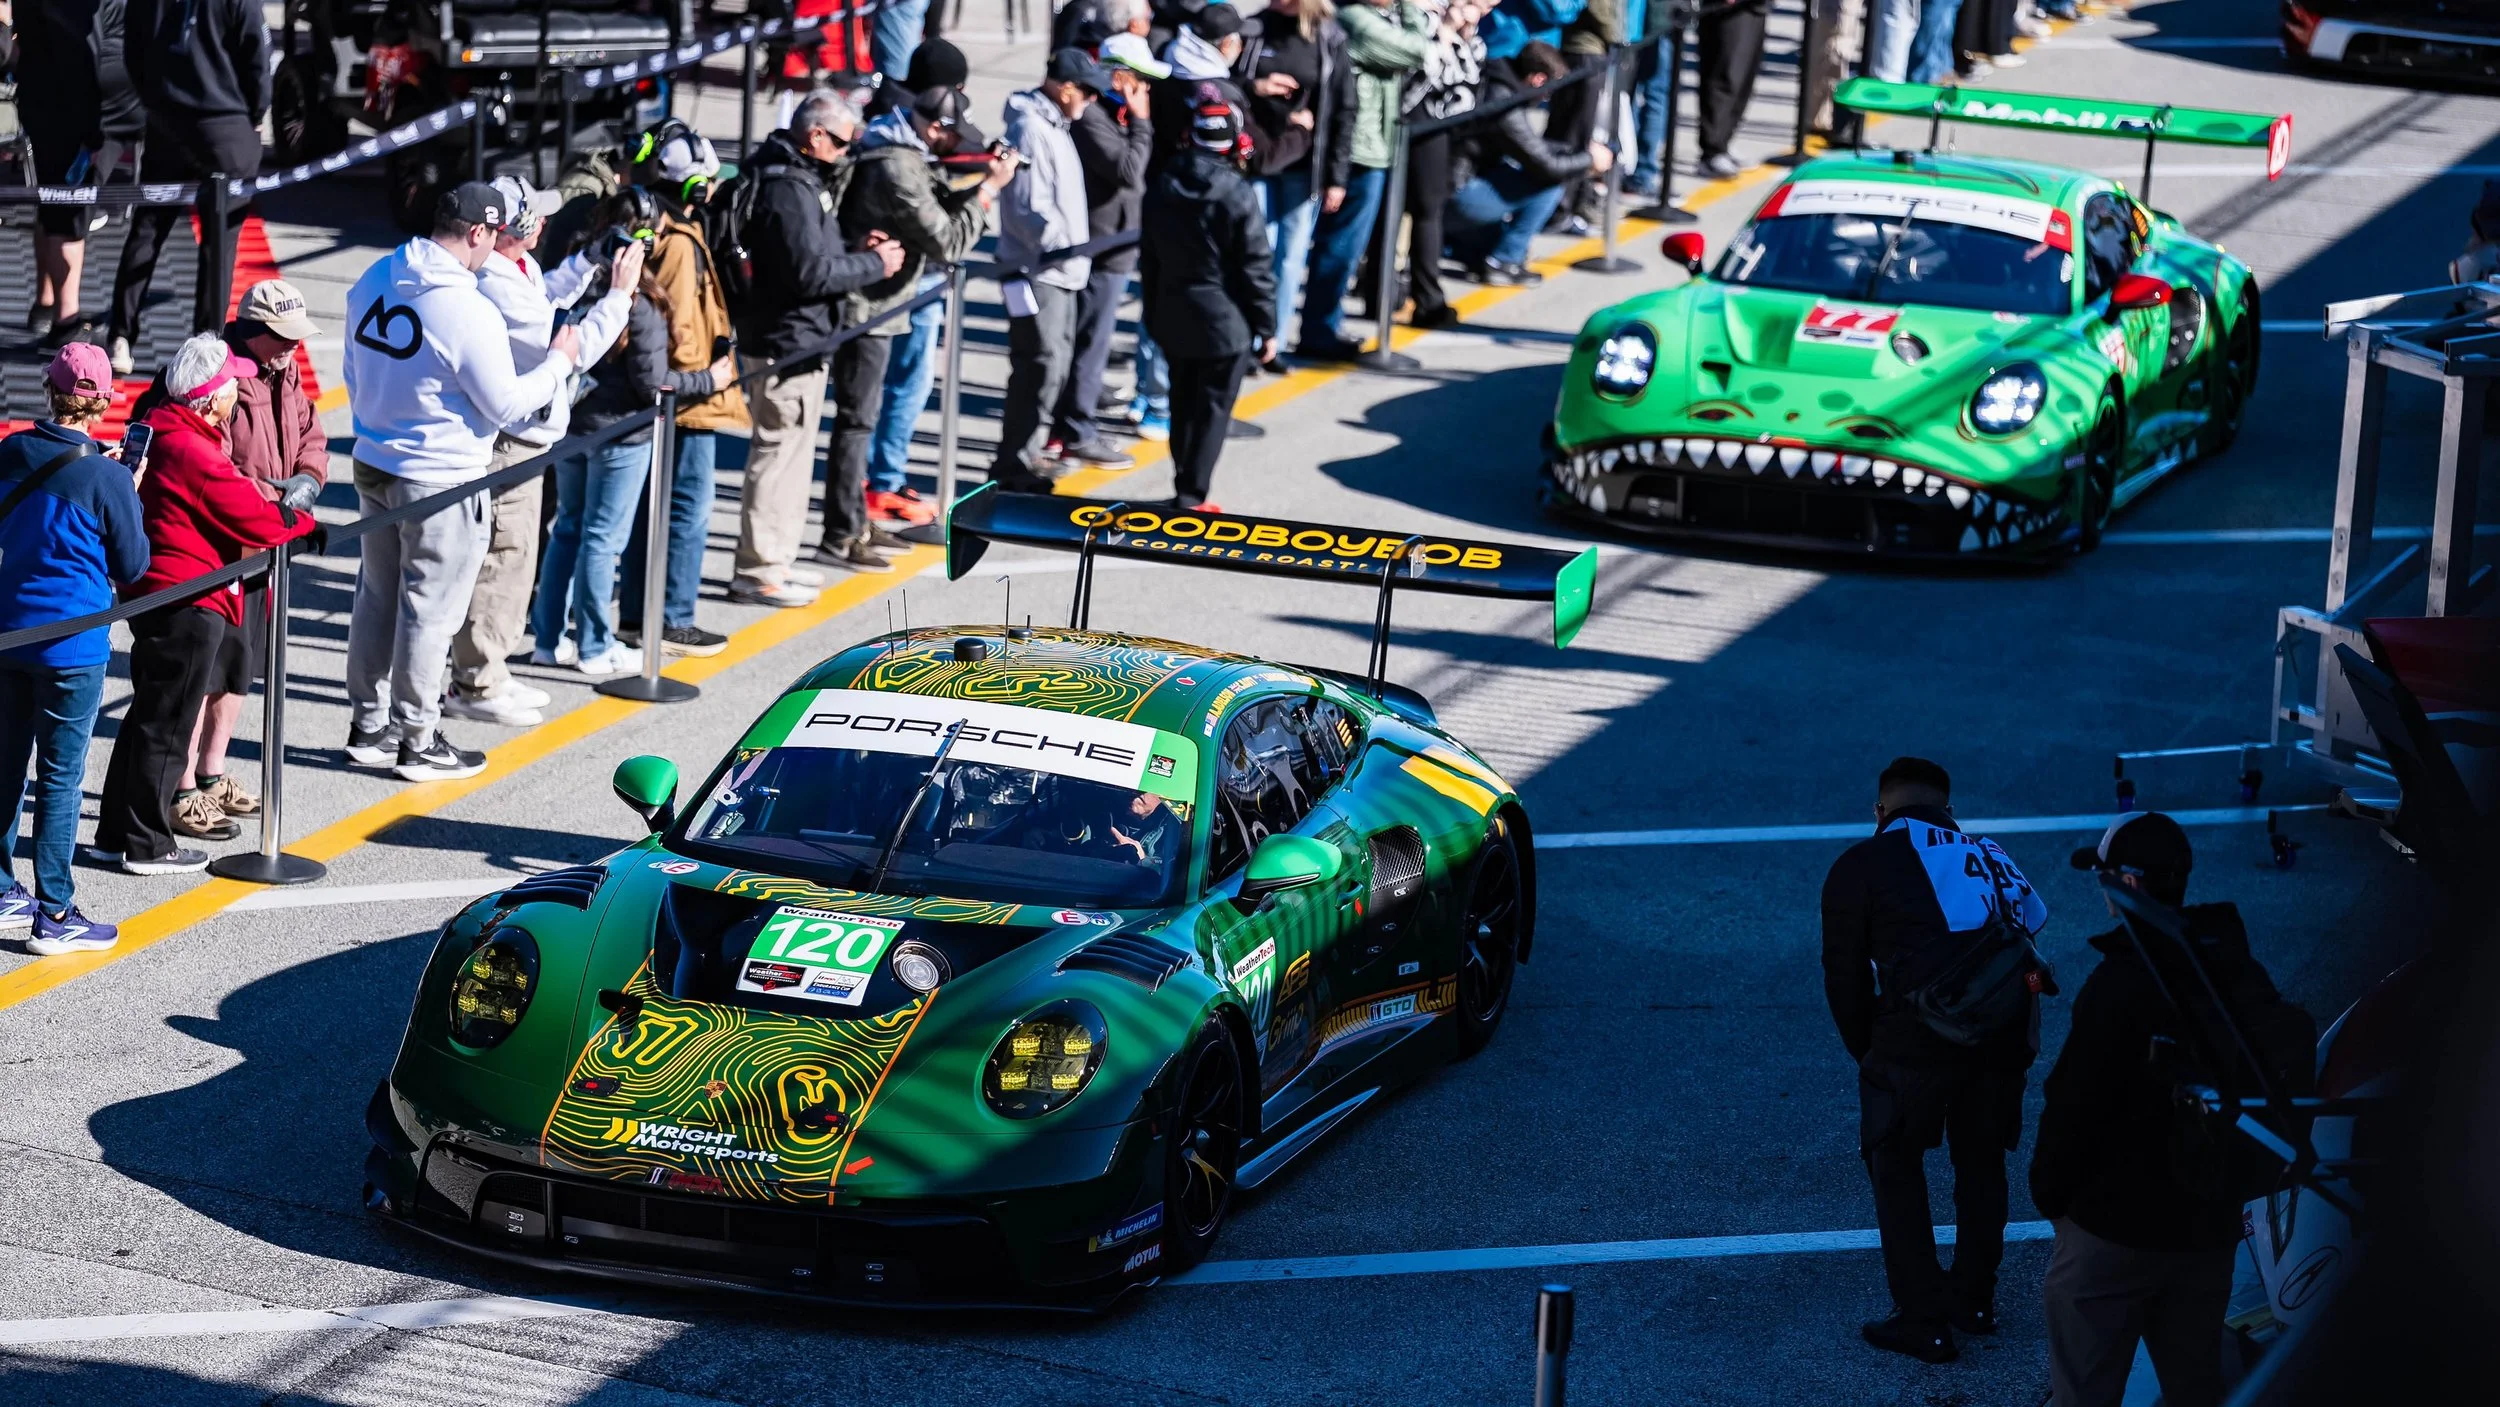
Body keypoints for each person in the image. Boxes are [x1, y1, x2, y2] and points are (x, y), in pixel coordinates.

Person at [2034, 815, 2312, 1407]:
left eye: (2105, 876)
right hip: (2205, 1230)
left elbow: (2072, 1106)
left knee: (2084, 1391)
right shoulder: (2232, 967)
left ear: (2129, 885)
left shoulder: (2119, 984)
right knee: (2196, 1388)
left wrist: (2052, 1199)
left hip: (2113, 1231)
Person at [341, 182, 582, 782]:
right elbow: (505, 404)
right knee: (430, 609)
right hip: (441, 476)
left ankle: (369, 724)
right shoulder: (466, 307)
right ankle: (417, 739)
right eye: (493, 237)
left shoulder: (375, 275)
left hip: (374, 458)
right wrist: (561, 362)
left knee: (377, 594)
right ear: (477, 233)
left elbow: (350, 364)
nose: (496, 250)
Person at [1820, 756, 2049, 1365]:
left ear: (1880, 812)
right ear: (1949, 811)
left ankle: (1922, 1319)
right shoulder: (1989, 853)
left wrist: (1867, 1050)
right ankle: (1974, 1300)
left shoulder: (1859, 865)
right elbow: (2033, 920)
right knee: (1981, 1163)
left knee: (1895, 1166)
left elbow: (1843, 978)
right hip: (1999, 1037)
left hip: (1912, 1042)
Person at [95, 334, 320, 875]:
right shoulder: (195, 449)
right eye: (228, 388)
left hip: (160, 593)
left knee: (147, 718)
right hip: (188, 600)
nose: (236, 395)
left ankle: (115, 833)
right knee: (167, 725)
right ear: (209, 397)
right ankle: (148, 844)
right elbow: (255, 517)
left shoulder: (162, 426)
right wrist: (304, 522)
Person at [128, 279, 333, 835]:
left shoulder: (284, 371)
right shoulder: (209, 372)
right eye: (284, 337)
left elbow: (312, 432)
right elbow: (173, 449)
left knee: (240, 670)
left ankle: (213, 774)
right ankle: (182, 786)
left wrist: (308, 481)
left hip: (267, 542)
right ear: (253, 330)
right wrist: (275, 507)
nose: (294, 347)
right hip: (220, 550)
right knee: (201, 672)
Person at [447, 175, 635, 716]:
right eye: (536, 216)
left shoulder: (512, 267)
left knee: (518, 551)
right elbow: (572, 342)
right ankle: (478, 680)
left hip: (526, 435)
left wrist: (589, 263)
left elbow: (544, 291)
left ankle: (488, 672)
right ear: (512, 226)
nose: (546, 223)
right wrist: (619, 295)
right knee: (506, 554)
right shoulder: (496, 282)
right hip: (514, 440)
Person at [534, 215, 737, 681]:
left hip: (573, 429)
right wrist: (712, 380)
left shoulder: (572, 297)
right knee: (602, 541)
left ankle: (548, 641)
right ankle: (595, 646)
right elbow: (654, 386)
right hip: (621, 437)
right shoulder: (638, 306)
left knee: (568, 530)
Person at [730, 91, 909, 597]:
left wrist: (852, 251)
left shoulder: (790, 177)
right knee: (777, 458)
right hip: (786, 343)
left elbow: (805, 255)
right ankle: (759, 571)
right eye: (842, 143)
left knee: (790, 459)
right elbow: (807, 273)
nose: (846, 153)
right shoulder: (789, 188)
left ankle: (775, 562)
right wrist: (874, 266)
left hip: (792, 339)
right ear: (815, 136)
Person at [0, 345, 148, 953]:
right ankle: (55, 913)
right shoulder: (108, 476)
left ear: (49, 390)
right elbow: (133, 564)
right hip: (74, 646)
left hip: (10, 632)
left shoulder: (10, 451)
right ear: (105, 401)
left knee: (6, 763)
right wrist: (128, 487)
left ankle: (3, 890)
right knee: (60, 779)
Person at [838, 83, 1020, 550]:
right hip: (871, 306)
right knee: (860, 417)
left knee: (876, 406)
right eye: (955, 135)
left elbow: (938, 211)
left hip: (883, 299)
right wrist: (989, 192)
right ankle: (848, 527)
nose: (959, 144)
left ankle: (858, 516)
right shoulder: (899, 164)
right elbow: (948, 241)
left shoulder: (904, 150)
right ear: (935, 128)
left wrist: (980, 179)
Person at [619, 125, 745, 660]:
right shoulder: (678, 244)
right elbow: (678, 325)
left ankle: (638, 613)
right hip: (688, 399)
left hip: (679, 394)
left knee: (659, 507)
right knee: (687, 509)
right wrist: (703, 386)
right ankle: (671, 616)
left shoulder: (668, 229)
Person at [106, 0, 270, 376]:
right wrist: (255, 114)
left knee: (148, 228)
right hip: (224, 125)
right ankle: (206, 346)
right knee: (220, 243)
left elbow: (134, 47)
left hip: (168, 120)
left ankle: (120, 333)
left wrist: (155, 101)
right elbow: (257, 59)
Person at [1138, 91, 1276, 511]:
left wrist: (1153, 311)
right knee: (1212, 409)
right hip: (1225, 320)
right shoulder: (1236, 193)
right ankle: (1193, 494)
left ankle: (1184, 483)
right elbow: (1255, 266)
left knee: (1181, 400)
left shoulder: (1162, 182)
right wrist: (1267, 326)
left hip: (1174, 310)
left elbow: (1150, 258)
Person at [860, 39, 978, 529]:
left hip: (907, 279)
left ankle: (882, 476)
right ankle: (882, 481)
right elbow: (944, 235)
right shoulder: (903, 144)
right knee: (902, 385)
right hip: (905, 284)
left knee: (898, 385)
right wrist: (984, 193)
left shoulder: (892, 122)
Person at [989, 50, 1110, 494]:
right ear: (1065, 89)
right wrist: (1065, 246)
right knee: (1037, 368)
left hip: (1060, 271)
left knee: (1051, 369)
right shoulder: (1031, 128)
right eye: (1088, 92)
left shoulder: (1052, 125)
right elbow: (1028, 209)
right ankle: (1012, 467)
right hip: (1041, 272)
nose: (1092, 101)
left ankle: (1026, 454)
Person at [1048, 35, 1160, 471]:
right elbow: (1130, 171)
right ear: (1120, 76)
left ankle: (1070, 426)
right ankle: (1077, 431)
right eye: (1142, 81)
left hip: (1114, 242)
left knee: (1089, 342)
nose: (1146, 90)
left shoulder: (1104, 113)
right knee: (1090, 344)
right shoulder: (1094, 118)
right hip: (1102, 246)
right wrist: (1142, 121)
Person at [1296, 0, 1428, 361]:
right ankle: (1318, 331)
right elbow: (1417, 50)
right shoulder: (1356, 19)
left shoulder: (1373, 18)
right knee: (1340, 246)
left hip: (1373, 145)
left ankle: (1326, 324)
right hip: (1358, 148)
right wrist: (1413, 8)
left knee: (1348, 247)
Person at [17, 0, 146, 350]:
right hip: (75, 107)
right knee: (69, 210)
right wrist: (90, 131)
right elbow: (78, 50)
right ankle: (65, 319)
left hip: (54, 95)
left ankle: (47, 304)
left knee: (53, 202)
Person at [1239, 0, 1352, 360]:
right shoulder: (1254, 28)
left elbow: (1344, 109)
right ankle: (1250, 336)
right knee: (1259, 250)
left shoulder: (1329, 36)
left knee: (1289, 259)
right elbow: (1224, 82)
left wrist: (1337, 177)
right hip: (1258, 160)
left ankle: (1274, 341)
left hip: (1305, 165)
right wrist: (1257, 87)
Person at [1444, 44, 1604, 284]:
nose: (1548, 97)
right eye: (1550, 89)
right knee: (1551, 183)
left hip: (1456, 185)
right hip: (1457, 195)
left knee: (1482, 244)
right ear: (1539, 80)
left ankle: (1470, 246)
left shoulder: (1498, 83)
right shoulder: (1504, 104)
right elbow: (1546, 165)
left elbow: (1532, 147)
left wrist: (1573, 151)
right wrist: (1590, 160)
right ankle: (1504, 260)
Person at [1381, 0, 1488, 328]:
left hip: (1431, 128)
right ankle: (1425, 301)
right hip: (1415, 123)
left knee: (1415, 212)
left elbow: (1471, 80)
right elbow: (1440, 75)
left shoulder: (1459, 26)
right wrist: (1447, 32)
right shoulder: (1419, 16)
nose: (1482, 10)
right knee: (1420, 213)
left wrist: (1464, 35)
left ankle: (1385, 292)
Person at [1694, 0, 1768, 180]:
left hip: (1753, 7)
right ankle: (1712, 152)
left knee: (1744, 76)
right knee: (1725, 76)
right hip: (1727, 10)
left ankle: (1723, 142)